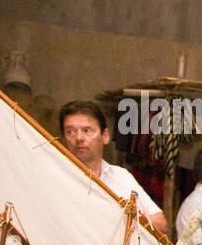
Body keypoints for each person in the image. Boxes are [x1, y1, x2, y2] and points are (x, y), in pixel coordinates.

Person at [58, 100, 168, 235]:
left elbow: (161, 224)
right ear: (63, 140)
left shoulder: (120, 176)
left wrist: (122, 217)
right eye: (71, 132)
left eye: (87, 131)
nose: (79, 138)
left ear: (105, 136)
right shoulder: (55, 178)